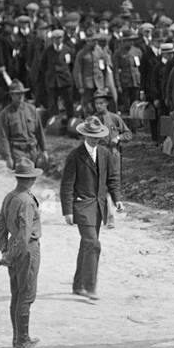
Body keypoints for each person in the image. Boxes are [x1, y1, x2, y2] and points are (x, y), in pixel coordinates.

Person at [60, 117, 122, 300]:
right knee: (93, 244)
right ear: (84, 135)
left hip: (99, 207)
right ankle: (90, 286)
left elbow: (112, 179)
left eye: (97, 137)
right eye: (91, 136)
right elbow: (66, 185)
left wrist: (117, 199)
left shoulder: (105, 154)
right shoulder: (75, 156)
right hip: (82, 205)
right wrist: (67, 210)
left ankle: (78, 285)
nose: (94, 140)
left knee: (86, 245)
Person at [0, 158, 44, 348]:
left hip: (13, 249)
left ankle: (18, 337)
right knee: (26, 295)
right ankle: (23, 341)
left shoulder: (10, 197)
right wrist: (14, 254)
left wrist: (6, 251)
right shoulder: (26, 201)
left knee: (16, 294)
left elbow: (0, 227)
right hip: (27, 250)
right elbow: (25, 235)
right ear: (31, 179)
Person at [0, 80, 48, 169]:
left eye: (22, 93)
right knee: (24, 178)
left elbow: (39, 131)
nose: (20, 96)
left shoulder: (32, 110)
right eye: (17, 94)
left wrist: (44, 150)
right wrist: (8, 157)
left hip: (33, 151)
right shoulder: (6, 114)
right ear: (11, 95)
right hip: (18, 152)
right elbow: (3, 137)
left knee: (32, 179)